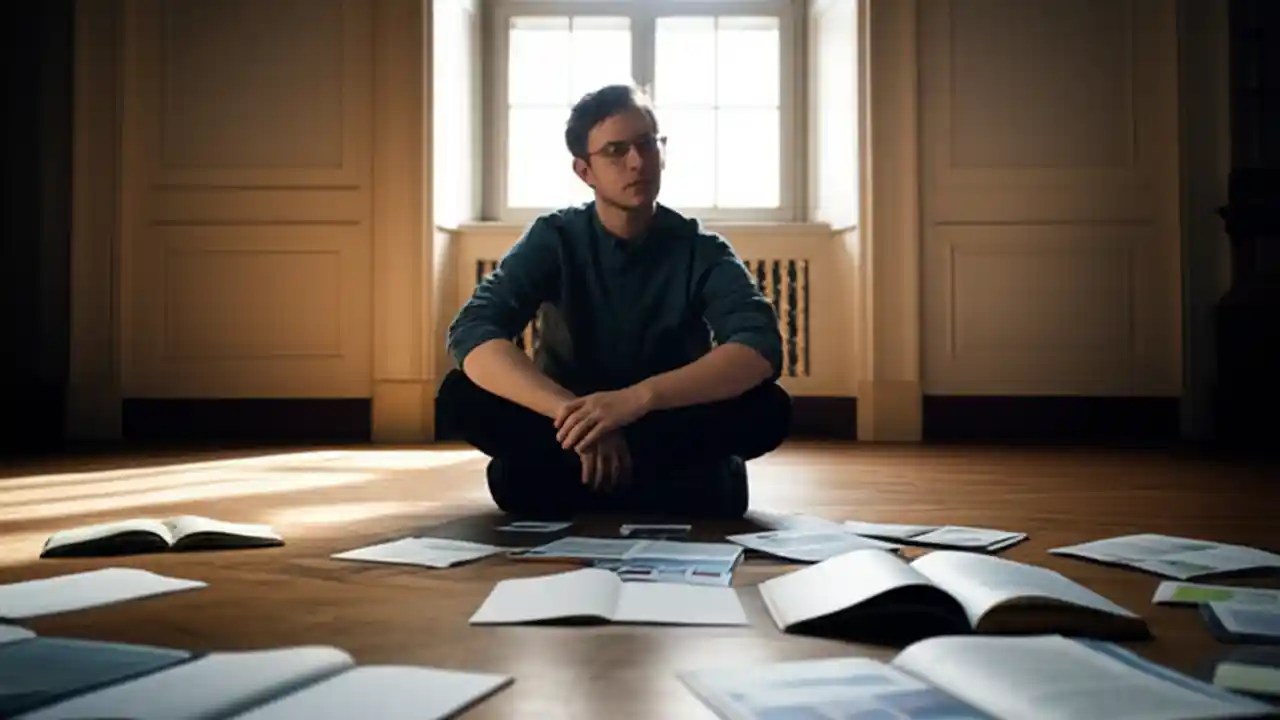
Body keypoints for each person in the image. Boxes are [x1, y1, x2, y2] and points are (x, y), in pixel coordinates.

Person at [437, 84, 791, 518]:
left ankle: (576, 485)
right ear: (584, 171)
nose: (638, 162)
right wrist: (577, 418)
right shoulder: (555, 238)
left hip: (663, 418)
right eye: (616, 151)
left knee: (770, 409)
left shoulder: (701, 248)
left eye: (647, 144)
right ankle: (667, 485)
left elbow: (759, 345)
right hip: (564, 427)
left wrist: (636, 400)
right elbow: (474, 330)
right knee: (458, 395)